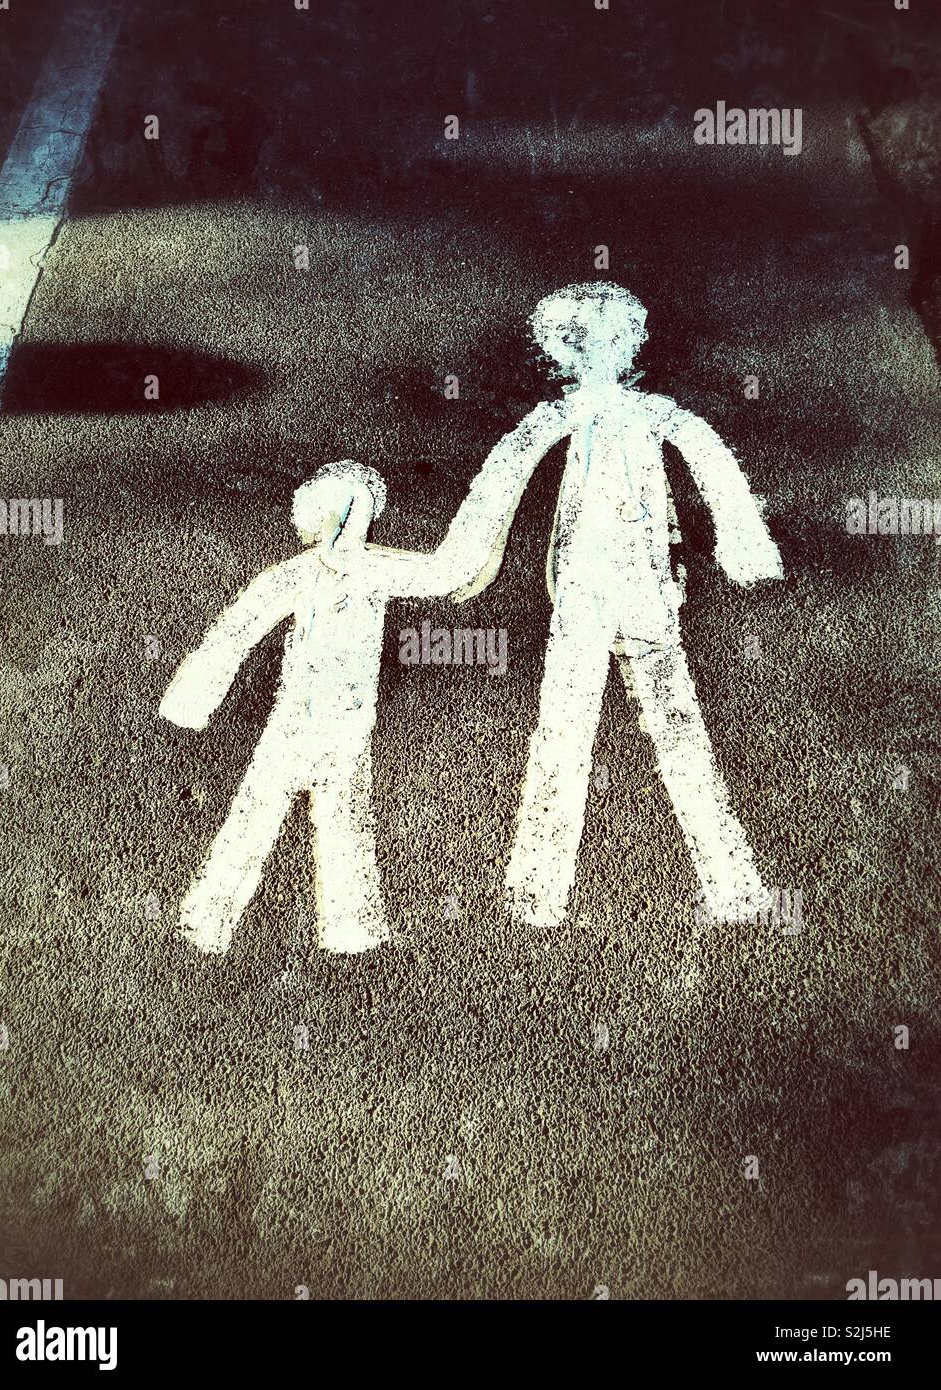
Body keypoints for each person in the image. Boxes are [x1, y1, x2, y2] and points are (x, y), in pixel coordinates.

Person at [422, 282, 784, 927]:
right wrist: (462, 560)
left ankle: (733, 887)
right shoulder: (558, 419)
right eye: (584, 341)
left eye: (613, 338)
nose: (599, 352)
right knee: (566, 728)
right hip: (584, 593)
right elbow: (500, 480)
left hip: (646, 590)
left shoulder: (656, 415)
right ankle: (536, 889)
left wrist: (745, 542)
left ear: (630, 344)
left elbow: (715, 465)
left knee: (671, 728)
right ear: (563, 351)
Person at [160, 458, 504, 955]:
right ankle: (217, 918)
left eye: (357, 509)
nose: (348, 520)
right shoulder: (307, 573)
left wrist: (490, 542)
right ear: (316, 518)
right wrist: (191, 700)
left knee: (331, 813)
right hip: (301, 715)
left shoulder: (368, 568)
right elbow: (235, 633)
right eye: (340, 509)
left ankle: (339, 928)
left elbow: (445, 570)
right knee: (272, 809)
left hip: (340, 718)